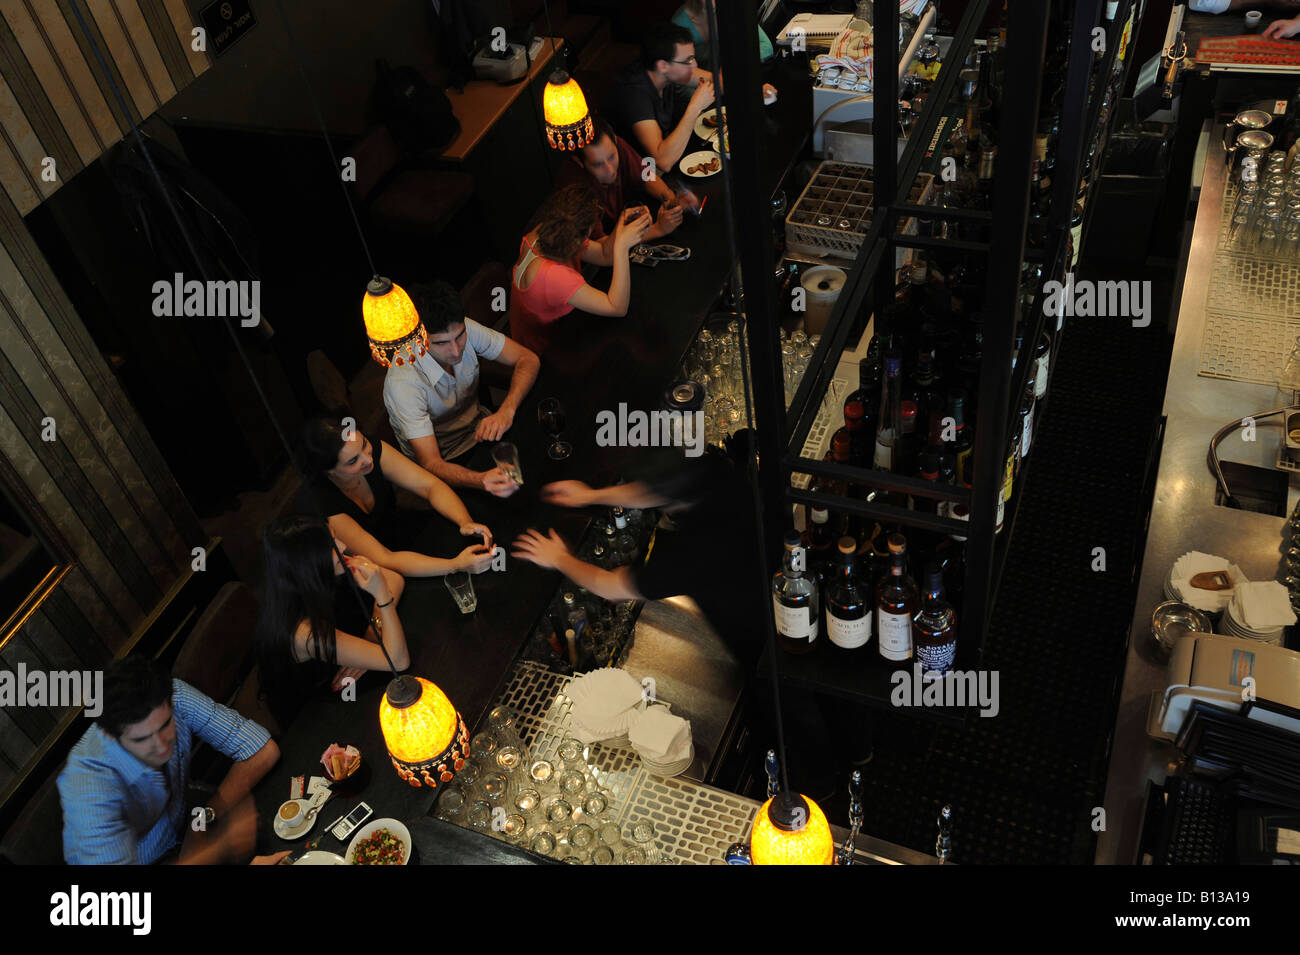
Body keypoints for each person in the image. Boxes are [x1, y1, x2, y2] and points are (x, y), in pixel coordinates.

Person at [511, 439, 766, 663]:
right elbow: (658, 490)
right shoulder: (717, 470)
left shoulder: (687, 555)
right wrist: (590, 495)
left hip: (758, 640)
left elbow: (609, 586)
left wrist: (558, 558)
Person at [58, 655, 287, 865]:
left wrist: (203, 820)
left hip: (182, 821)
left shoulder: (172, 696)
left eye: (165, 725)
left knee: (265, 831)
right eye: (142, 738)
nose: (160, 746)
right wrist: (216, 851)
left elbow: (262, 750)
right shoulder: (90, 786)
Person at [382, 280, 540, 497]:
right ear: (417, 339)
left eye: (459, 336)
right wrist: (481, 479)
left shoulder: (462, 327)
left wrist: (507, 409)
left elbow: (528, 359)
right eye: (441, 343)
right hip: (447, 461)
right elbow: (431, 463)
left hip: (482, 428)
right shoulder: (403, 383)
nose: (456, 350)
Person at [296, 413, 496, 578]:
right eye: (352, 462)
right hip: (372, 572)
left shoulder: (370, 453)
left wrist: (464, 521)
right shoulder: (322, 503)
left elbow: (431, 486)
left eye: (364, 444)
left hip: (399, 531)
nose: (367, 459)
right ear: (329, 471)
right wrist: (455, 565)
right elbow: (384, 559)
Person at [255, 515, 410, 720]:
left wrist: (370, 637)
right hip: (324, 714)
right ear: (308, 562)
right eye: (330, 545)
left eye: (335, 537)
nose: (343, 546)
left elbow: (394, 579)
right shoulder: (303, 633)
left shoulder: (319, 576)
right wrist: (382, 597)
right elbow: (398, 662)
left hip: (356, 681)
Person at [507, 183, 651, 356]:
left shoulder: (552, 231)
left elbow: (604, 255)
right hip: (544, 350)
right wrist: (622, 247)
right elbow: (617, 308)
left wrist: (620, 226)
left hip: (556, 327)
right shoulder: (553, 275)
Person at [602, 22, 716, 175]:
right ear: (663, 66)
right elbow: (663, 161)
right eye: (688, 60)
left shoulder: (667, 72)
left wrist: (758, 88)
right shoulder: (634, 95)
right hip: (640, 174)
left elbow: (716, 81)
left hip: (663, 158)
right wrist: (696, 106)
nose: (694, 65)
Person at [555, 117, 686, 241]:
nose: (610, 170)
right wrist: (658, 229)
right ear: (579, 162)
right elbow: (602, 248)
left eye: (612, 157)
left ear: (615, 141)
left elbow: (647, 175)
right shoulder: (573, 187)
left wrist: (671, 199)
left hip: (624, 228)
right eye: (598, 165)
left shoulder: (616, 145)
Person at [672, 0, 778, 103]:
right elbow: (682, 84)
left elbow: (766, 46)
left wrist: (732, 64)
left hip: (731, 84)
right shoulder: (680, 23)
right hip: (700, 96)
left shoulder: (733, 6)